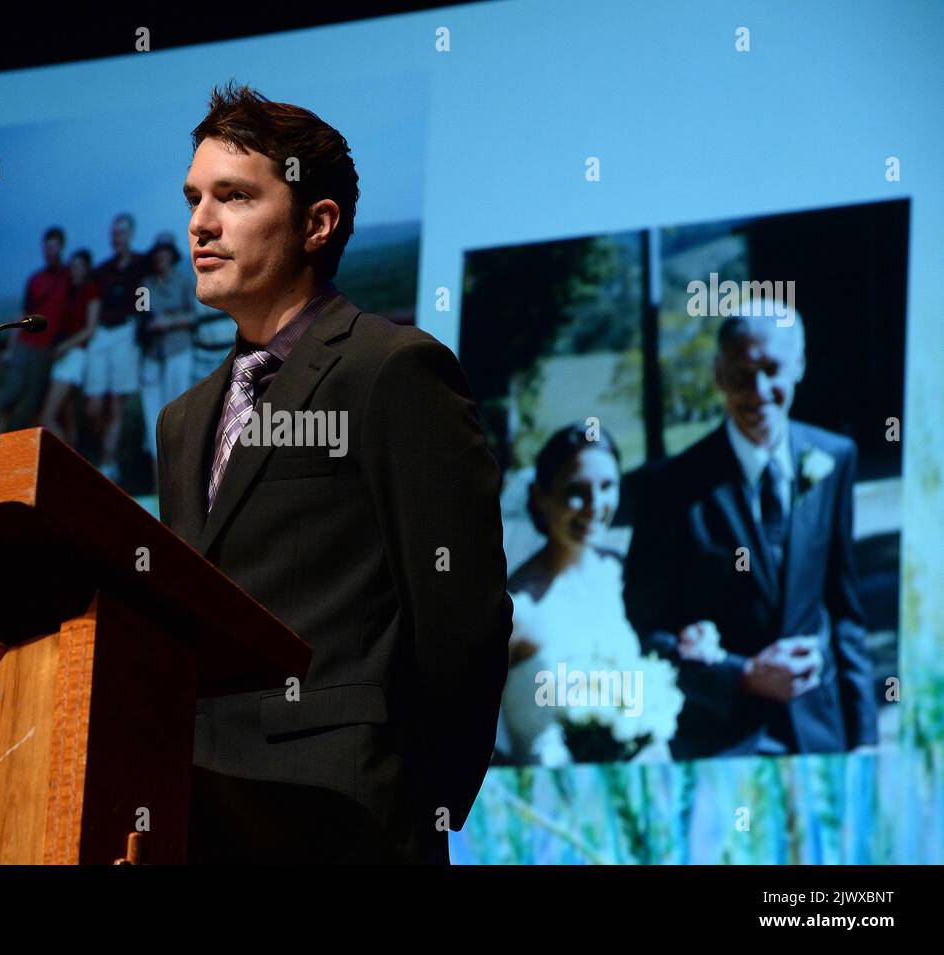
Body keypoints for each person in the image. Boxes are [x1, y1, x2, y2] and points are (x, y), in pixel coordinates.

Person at [156, 82, 512, 864]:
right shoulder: (181, 420)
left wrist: (419, 805)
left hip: (344, 815)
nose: (200, 224)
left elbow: (463, 622)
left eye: (234, 196)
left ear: (318, 224)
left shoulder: (392, 371)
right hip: (197, 819)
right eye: (194, 198)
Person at [624, 301, 878, 758]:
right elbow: (644, 632)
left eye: (772, 370)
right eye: (740, 375)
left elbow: (843, 611)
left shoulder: (834, 458)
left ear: (799, 365)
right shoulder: (670, 488)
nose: (758, 391)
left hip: (821, 733)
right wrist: (738, 674)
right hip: (723, 742)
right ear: (718, 376)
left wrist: (864, 738)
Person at [499, 424, 689, 766]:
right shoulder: (516, 608)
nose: (594, 506)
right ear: (541, 496)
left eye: (607, 487)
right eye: (576, 491)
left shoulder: (620, 574)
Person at [87, 213, 150, 482]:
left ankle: (107, 464)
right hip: (102, 332)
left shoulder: (140, 264)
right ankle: (109, 454)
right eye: (114, 232)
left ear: (131, 234)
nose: (117, 237)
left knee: (116, 405)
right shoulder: (103, 270)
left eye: (122, 232)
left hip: (126, 331)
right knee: (93, 406)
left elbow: (145, 296)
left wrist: (143, 322)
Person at [0, 226, 71, 429]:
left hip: (47, 350)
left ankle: (24, 450)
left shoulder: (69, 277)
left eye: (53, 247)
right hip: (25, 344)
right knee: (9, 396)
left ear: (61, 247)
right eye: (46, 247)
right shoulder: (35, 280)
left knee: (34, 404)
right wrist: (10, 350)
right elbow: (22, 314)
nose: (49, 252)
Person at [138, 233, 196, 477]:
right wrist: (148, 326)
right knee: (153, 417)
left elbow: (194, 315)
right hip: (152, 357)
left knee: (179, 412)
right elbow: (141, 316)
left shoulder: (184, 281)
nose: (161, 259)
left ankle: (183, 473)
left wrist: (168, 322)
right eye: (157, 256)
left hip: (178, 351)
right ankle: (156, 477)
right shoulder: (145, 285)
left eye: (165, 255)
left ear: (172, 257)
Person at [40, 249, 101, 448]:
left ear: (86, 268)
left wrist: (64, 346)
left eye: (79, 266)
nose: (75, 270)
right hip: (63, 354)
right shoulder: (68, 291)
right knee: (67, 415)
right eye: (72, 266)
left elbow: (89, 329)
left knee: (47, 415)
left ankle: (66, 464)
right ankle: (74, 465)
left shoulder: (90, 290)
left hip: (74, 354)